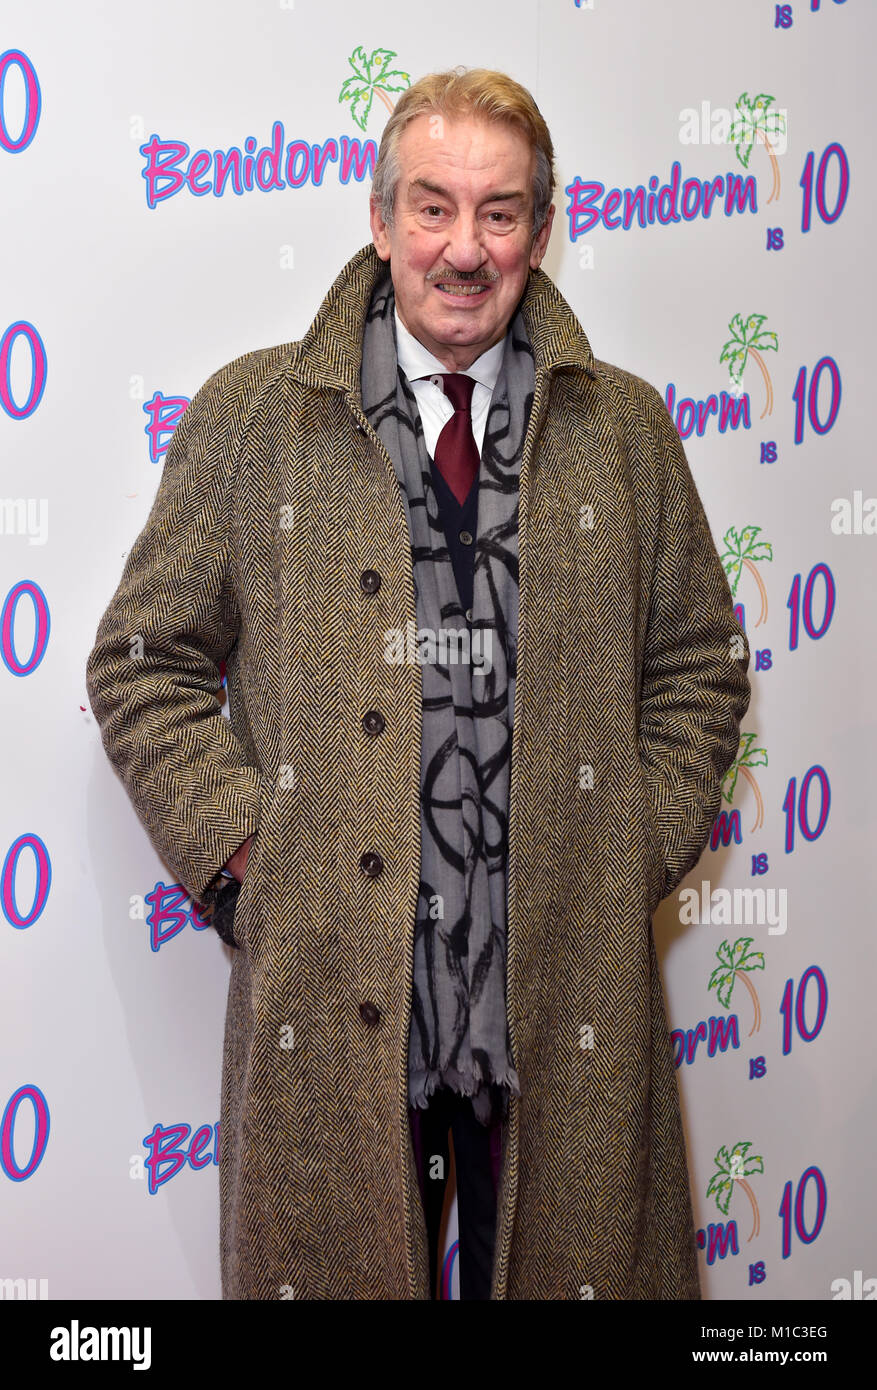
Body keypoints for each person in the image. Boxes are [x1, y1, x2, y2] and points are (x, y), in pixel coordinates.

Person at [85, 66, 751, 1300]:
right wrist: (247, 858)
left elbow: (698, 666)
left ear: (541, 234)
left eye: (499, 213)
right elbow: (142, 663)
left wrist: (624, 848)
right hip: (336, 998)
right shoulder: (254, 418)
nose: (463, 247)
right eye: (431, 207)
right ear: (379, 219)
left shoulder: (627, 433)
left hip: (556, 1001)